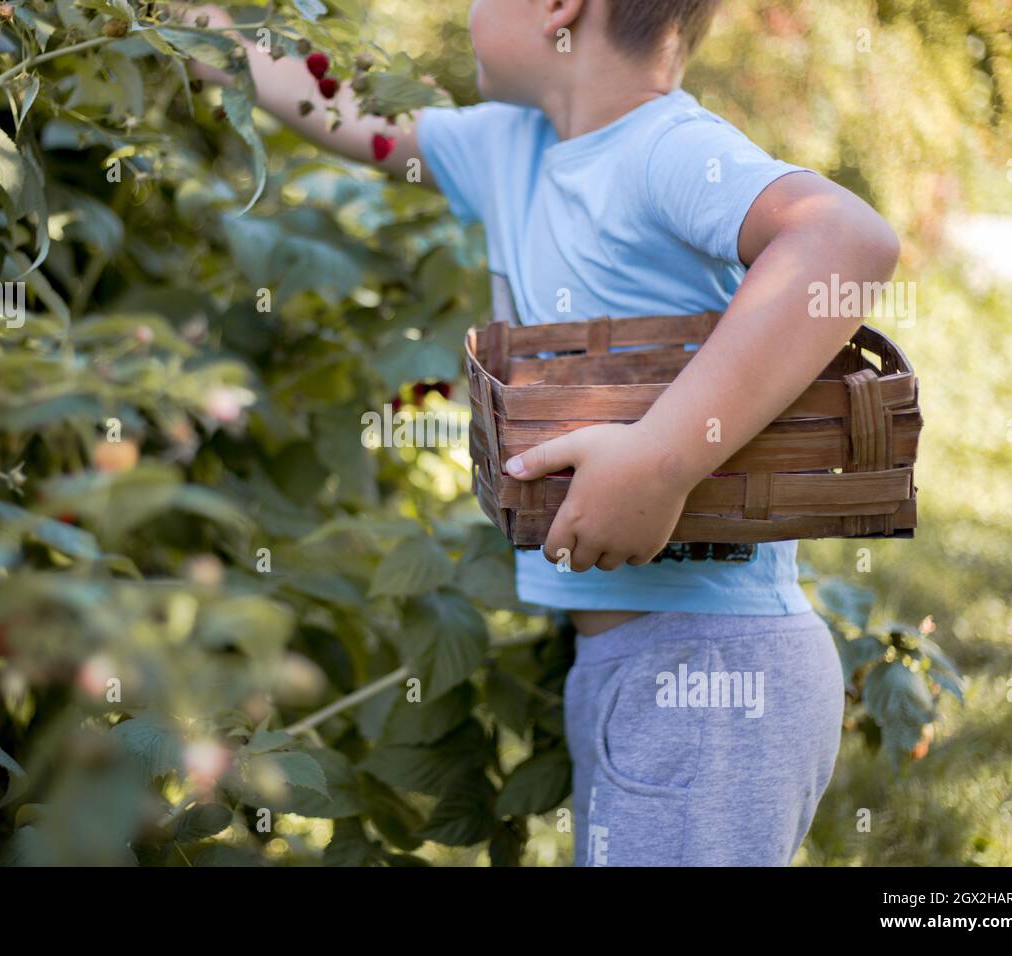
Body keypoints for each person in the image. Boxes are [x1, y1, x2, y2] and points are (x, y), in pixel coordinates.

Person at [183, 0, 899, 866]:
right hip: (633, 660)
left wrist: (660, 458)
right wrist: (190, 24)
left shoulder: (663, 151)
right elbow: (350, 113)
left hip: (714, 676)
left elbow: (846, 240)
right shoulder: (511, 148)